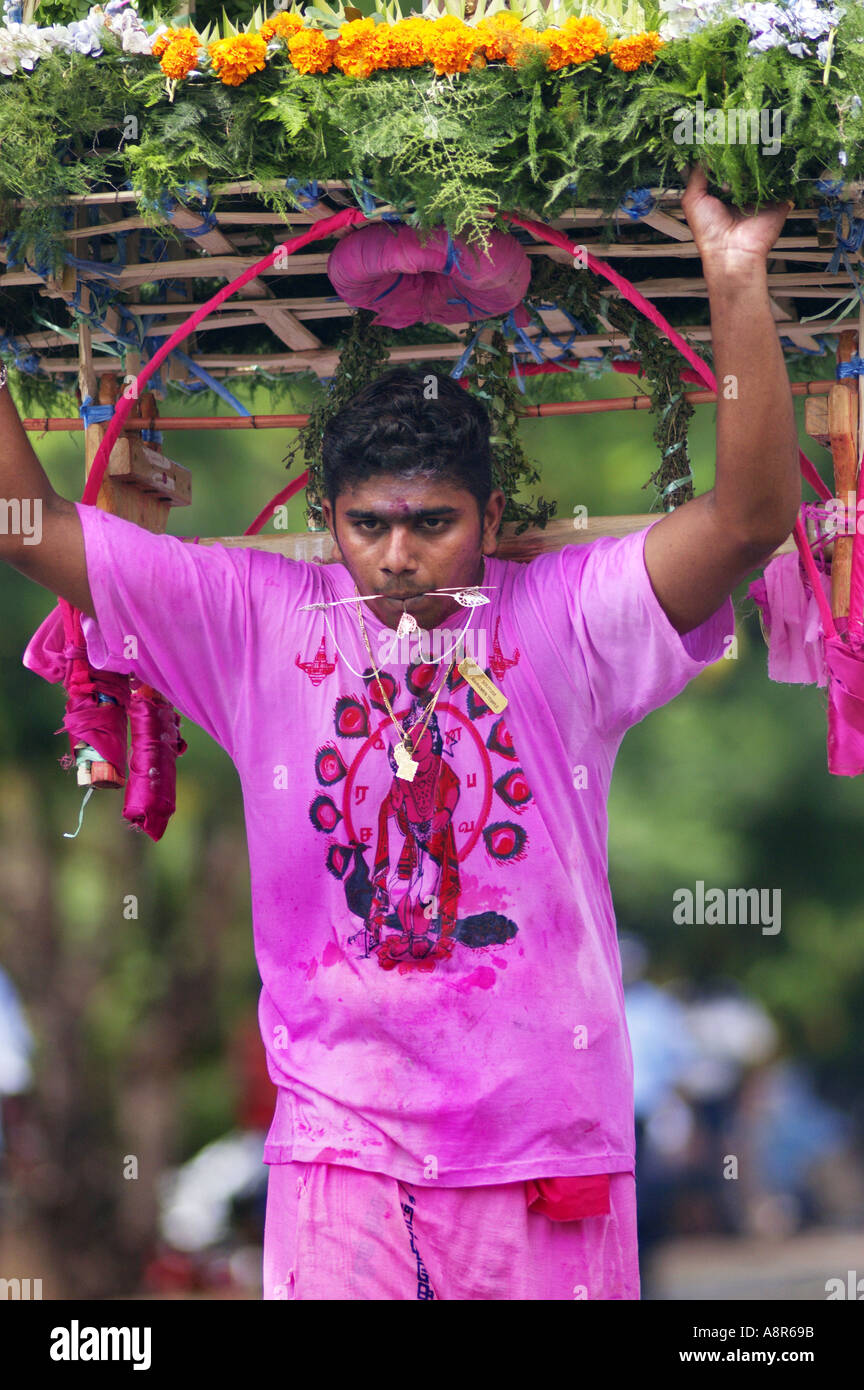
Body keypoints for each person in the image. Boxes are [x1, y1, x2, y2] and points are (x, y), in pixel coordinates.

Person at [0, 165, 801, 1300]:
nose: (398, 552)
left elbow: (750, 520)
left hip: (546, 1154)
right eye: (369, 524)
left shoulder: (569, 617)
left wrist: (733, 273)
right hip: (341, 1159)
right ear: (329, 523)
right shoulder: (252, 620)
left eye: (432, 522)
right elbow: (26, 526)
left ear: (489, 521)